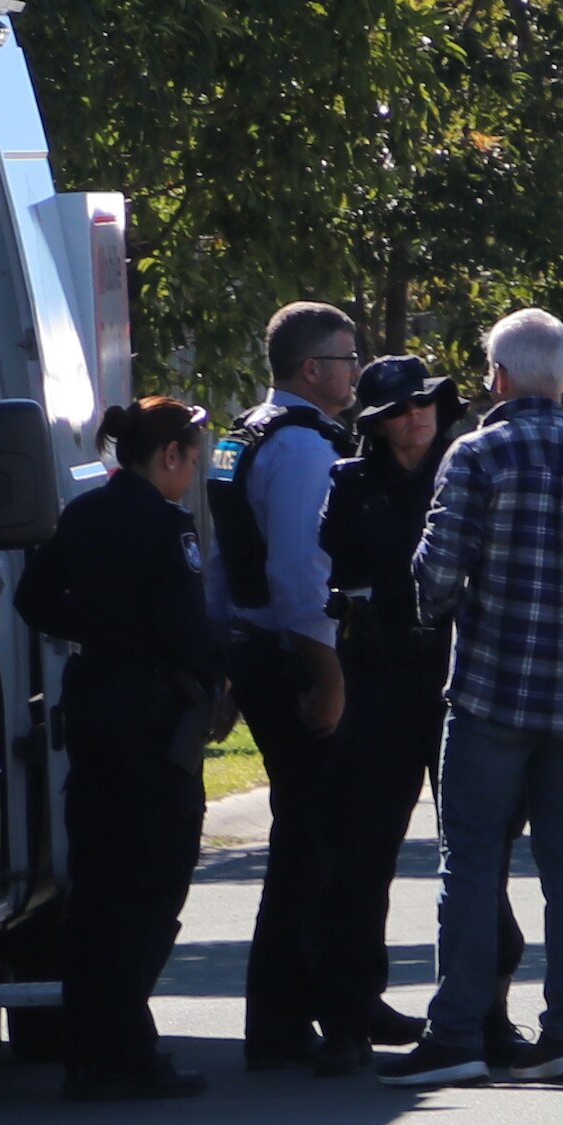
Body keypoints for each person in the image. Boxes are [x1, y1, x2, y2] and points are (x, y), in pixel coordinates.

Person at [387, 308, 563, 1086]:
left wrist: (431, 609)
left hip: (490, 693)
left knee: (471, 861)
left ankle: (457, 1034)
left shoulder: (475, 457)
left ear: (498, 378)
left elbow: (437, 575)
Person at [11, 395, 229, 1101]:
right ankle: (127, 1049)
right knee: (152, 883)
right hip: (152, 724)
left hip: (95, 712)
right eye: (191, 459)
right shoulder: (168, 528)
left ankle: (87, 1050)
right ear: (169, 456)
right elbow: (187, 632)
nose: (192, 472)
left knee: (97, 888)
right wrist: (224, 678)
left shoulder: (85, 513)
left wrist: (100, 629)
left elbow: (33, 599)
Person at [316, 354, 526, 1064]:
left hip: (461, 675)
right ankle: (347, 1017)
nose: (418, 416)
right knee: (364, 850)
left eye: (427, 402)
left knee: (478, 849)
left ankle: (485, 1011)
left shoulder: (468, 467)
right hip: (380, 683)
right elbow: (337, 567)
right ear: (377, 424)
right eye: (402, 409)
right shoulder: (352, 482)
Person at [213, 300, 359, 1073]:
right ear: (311, 369)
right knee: (312, 843)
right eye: (346, 358)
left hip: (257, 648)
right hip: (297, 658)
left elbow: (222, 556)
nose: (355, 371)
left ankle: (321, 1003)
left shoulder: (240, 434)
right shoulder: (304, 448)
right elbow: (301, 577)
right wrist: (328, 682)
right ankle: (286, 1018)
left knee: (306, 838)